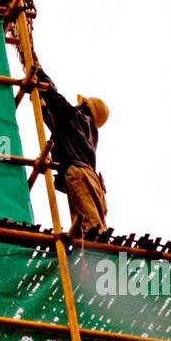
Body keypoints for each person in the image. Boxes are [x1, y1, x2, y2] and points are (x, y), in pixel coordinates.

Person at [35, 65, 110, 239]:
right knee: (93, 224)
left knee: (91, 230)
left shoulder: (76, 117)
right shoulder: (85, 130)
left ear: (85, 106)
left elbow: (56, 98)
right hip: (92, 180)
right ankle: (93, 245)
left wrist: (38, 71)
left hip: (79, 174)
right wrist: (43, 105)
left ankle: (93, 244)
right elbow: (56, 125)